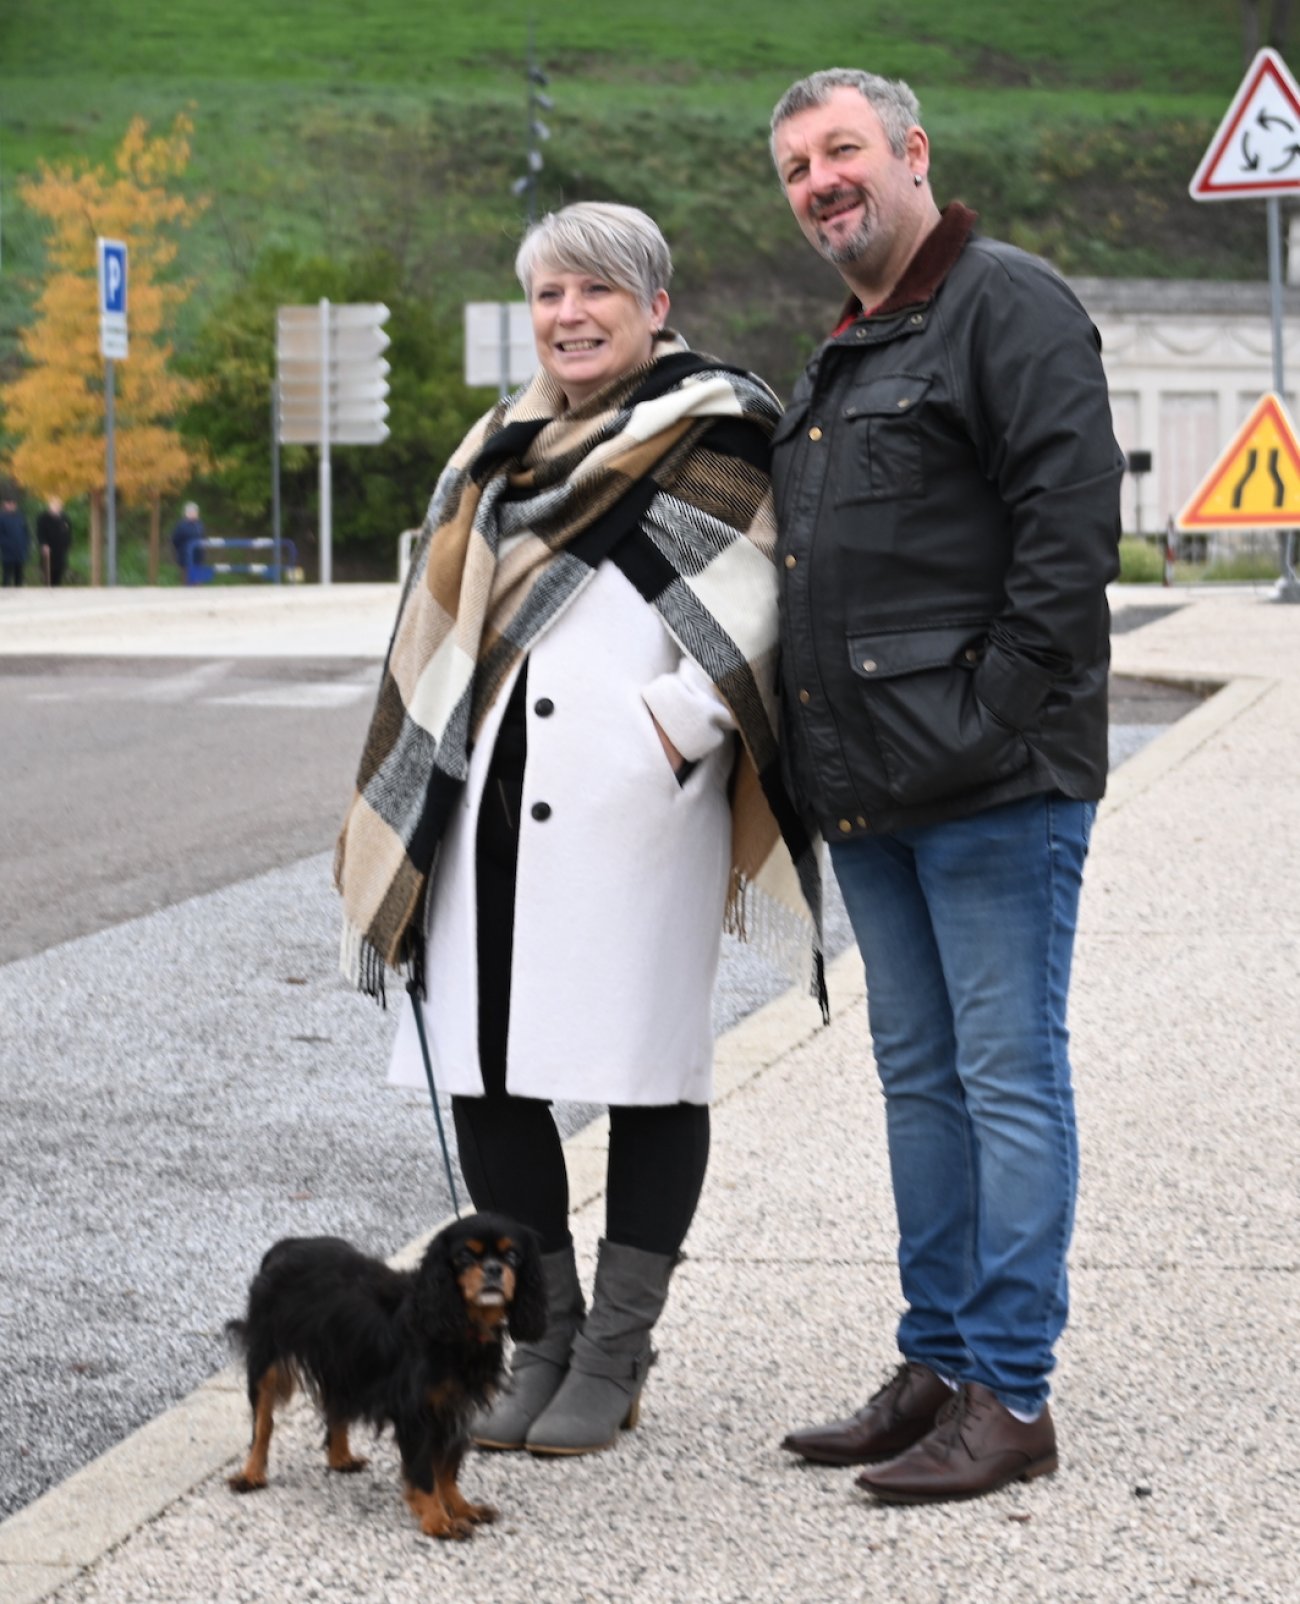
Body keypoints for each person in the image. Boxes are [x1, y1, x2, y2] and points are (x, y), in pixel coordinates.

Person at [335, 202, 823, 1458]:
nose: (569, 315)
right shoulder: (500, 449)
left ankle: (616, 1350)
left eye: (596, 291)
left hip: (631, 814)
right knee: (488, 1070)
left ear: (654, 306)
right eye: (550, 294)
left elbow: (765, 602)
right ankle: (541, 1337)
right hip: (477, 806)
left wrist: (671, 725)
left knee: (648, 1072)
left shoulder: (719, 430)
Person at [768, 69, 1123, 1504]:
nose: (819, 182)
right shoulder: (849, 347)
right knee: (920, 1081)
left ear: (912, 152)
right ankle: (938, 1358)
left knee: (1005, 1077)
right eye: (796, 168)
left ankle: (1010, 1392)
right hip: (875, 792)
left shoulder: (1006, 303)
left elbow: (1069, 538)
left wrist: (988, 721)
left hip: (993, 787)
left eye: (841, 149)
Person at [36, 496, 73, 587]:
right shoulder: (43, 518)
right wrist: (43, 544)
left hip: (60, 551)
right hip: (48, 551)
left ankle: (56, 591)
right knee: (48, 575)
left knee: (59, 573)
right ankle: (47, 591)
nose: (56, 507)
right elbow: (40, 533)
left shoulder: (65, 518)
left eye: (58, 505)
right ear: (49, 506)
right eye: (54, 505)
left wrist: (68, 544)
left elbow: (68, 533)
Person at [0, 496, 32, 587]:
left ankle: (18, 594)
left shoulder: (20, 517)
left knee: (19, 576)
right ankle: (5, 594)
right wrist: (7, 544)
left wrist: (26, 545)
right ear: (5, 504)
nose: (11, 505)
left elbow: (26, 533)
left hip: (20, 551)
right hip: (8, 553)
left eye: (13, 504)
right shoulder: (1, 517)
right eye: (9, 503)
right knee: (7, 577)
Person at [170, 501, 204, 576]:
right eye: (193, 512)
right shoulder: (181, 525)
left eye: (196, 512)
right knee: (186, 578)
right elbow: (175, 540)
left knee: (197, 579)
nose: (196, 514)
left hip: (198, 558)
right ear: (187, 513)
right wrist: (182, 550)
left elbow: (202, 538)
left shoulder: (199, 524)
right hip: (185, 557)